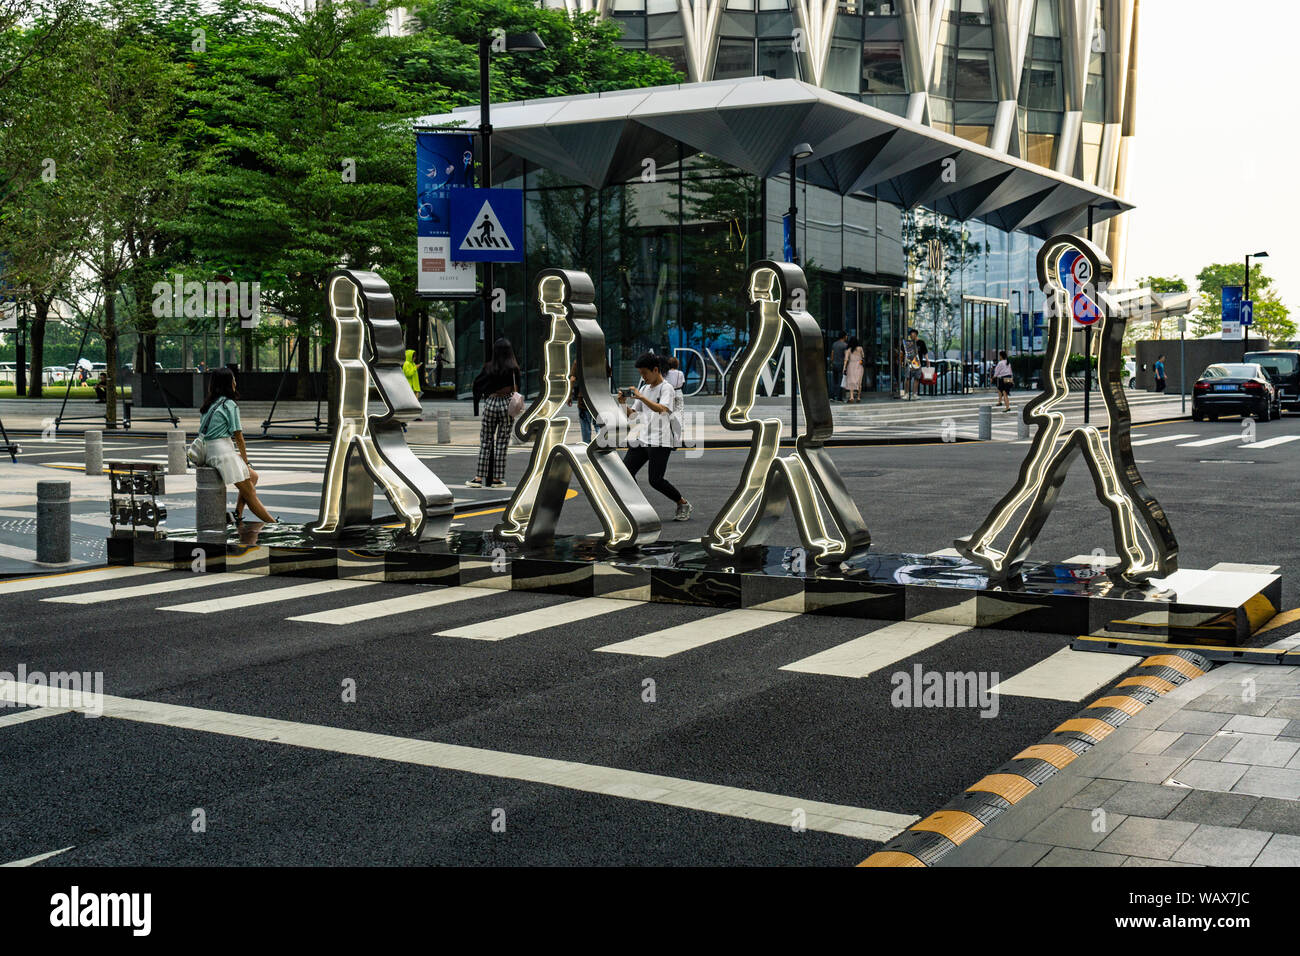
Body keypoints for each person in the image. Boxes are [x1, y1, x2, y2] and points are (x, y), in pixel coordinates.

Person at [190, 367, 277, 524]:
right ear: (228, 383)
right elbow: (239, 438)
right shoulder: (229, 404)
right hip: (222, 453)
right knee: (250, 494)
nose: (235, 382)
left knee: (253, 476)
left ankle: (237, 513)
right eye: (233, 379)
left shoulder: (209, 403)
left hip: (210, 451)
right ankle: (275, 525)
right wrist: (245, 461)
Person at [619, 352, 692, 521]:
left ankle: (683, 503)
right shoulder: (644, 389)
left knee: (656, 480)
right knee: (626, 473)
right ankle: (638, 508)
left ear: (656, 369)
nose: (643, 377)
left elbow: (662, 409)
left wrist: (642, 398)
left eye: (645, 373)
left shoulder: (667, 388)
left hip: (660, 440)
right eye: (640, 374)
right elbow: (632, 416)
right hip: (643, 438)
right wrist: (622, 404)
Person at [469, 337, 521, 488]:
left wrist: (477, 402)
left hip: (491, 403)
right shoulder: (514, 368)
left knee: (486, 441)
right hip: (507, 404)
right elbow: (517, 387)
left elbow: (477, 384)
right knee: (502, 443)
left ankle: (478, 477)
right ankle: (497, 479)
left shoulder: (489, 367)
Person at [402, 349, 423, 420]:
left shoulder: (412, 364)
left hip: (415, 387)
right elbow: (408, 374)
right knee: (412, 403)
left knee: (415, 404)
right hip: (410, 387)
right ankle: (412, 416)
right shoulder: (406, 364)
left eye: (415, 357)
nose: (414, 358)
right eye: (413, 357)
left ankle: (415, 416)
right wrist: (415, 368)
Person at [843, 337, 865, 403]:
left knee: (851, 381)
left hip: (851, 366)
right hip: (859, 365)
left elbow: (846, 360)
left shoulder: (848, 350)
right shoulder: (860, 348)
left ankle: (851, 397)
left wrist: (844, 368)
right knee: (859, 382)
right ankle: (858, 397)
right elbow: (863, 356)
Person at [830, 332, 848, 401]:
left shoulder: (834, 344)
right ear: (844, 337)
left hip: (834, 364)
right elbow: (846, 356)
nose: (847, 337)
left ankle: (832, 396)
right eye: (846, 336)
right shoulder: (845, 345)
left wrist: (832, 362)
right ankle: (839, 397)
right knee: (841, 381)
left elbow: (832, 354)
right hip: (841, 364)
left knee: (834, 381)